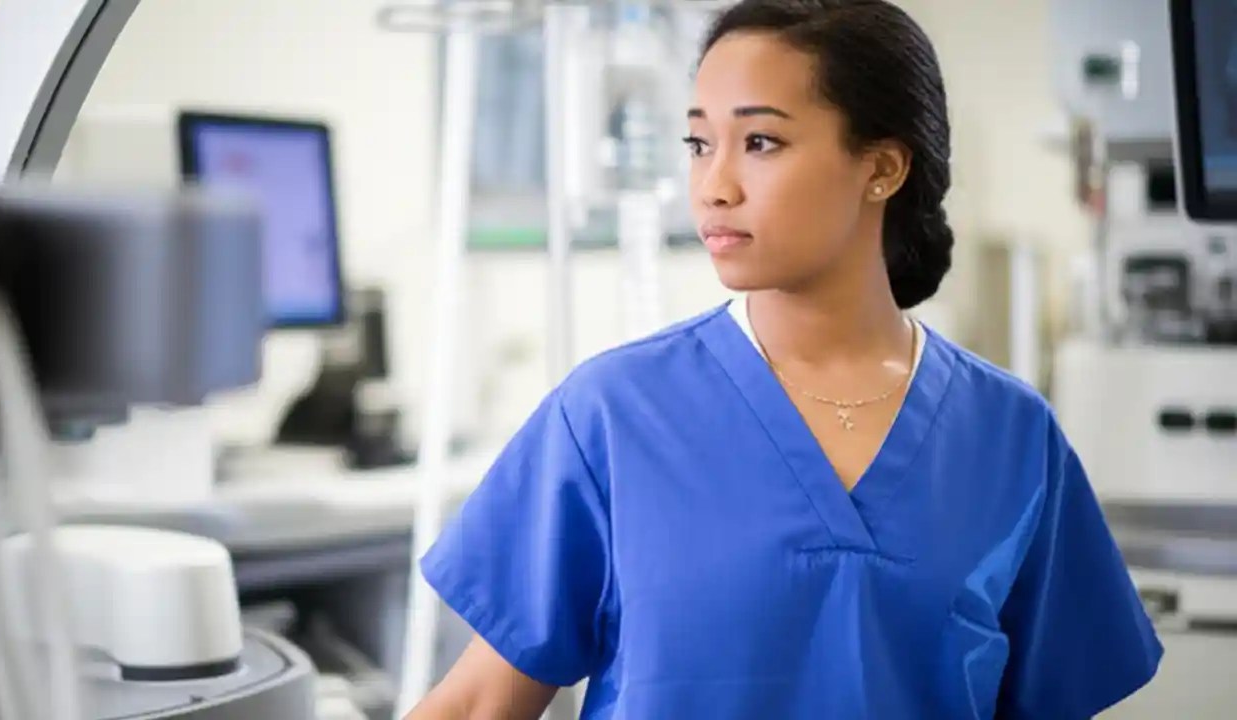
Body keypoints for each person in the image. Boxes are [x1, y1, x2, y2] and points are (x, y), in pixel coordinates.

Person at [407, 0, 1163, 717]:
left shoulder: (1008, 435)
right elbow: (478, 704)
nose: (713, 186)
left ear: (883, 168)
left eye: (760, 142)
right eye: (700, 144)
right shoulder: (612, 415)